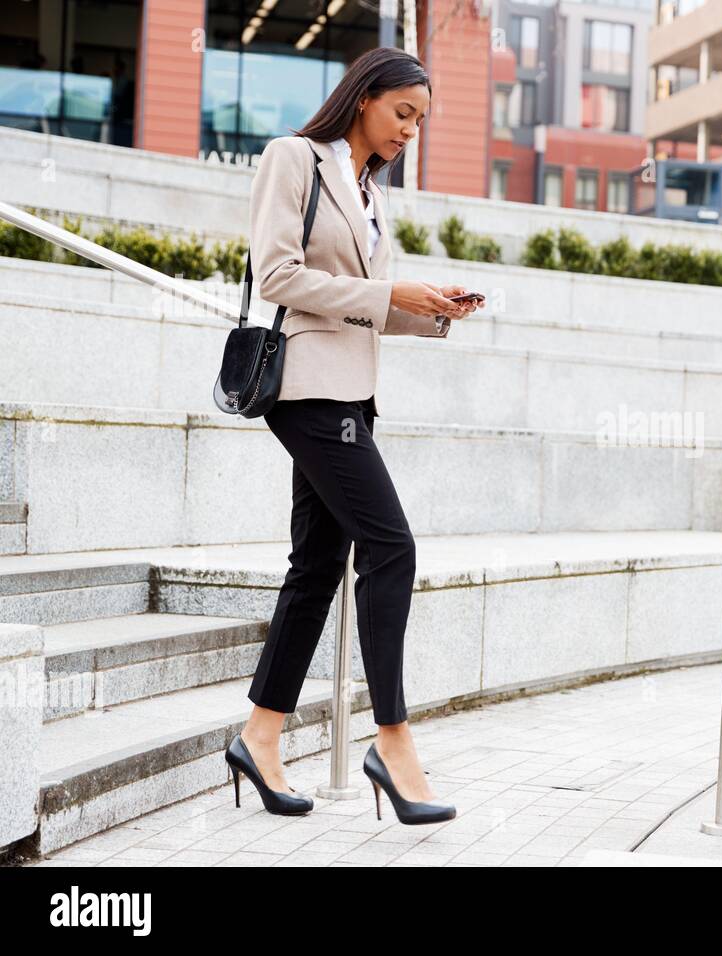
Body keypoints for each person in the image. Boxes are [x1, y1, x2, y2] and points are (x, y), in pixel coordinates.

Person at [225, 46, 480, 825]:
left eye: (421, 121)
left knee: (317, 564)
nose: (411, 131)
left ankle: (260, 736)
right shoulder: (293, 159)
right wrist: (385, 289)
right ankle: (393, 742)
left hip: (351, 393)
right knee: (391, 546)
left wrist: (430, 309)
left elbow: (359, 304)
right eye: (403, 112)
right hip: (304, 389)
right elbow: (276, 277)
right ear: (365, 97)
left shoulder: (365, 189)